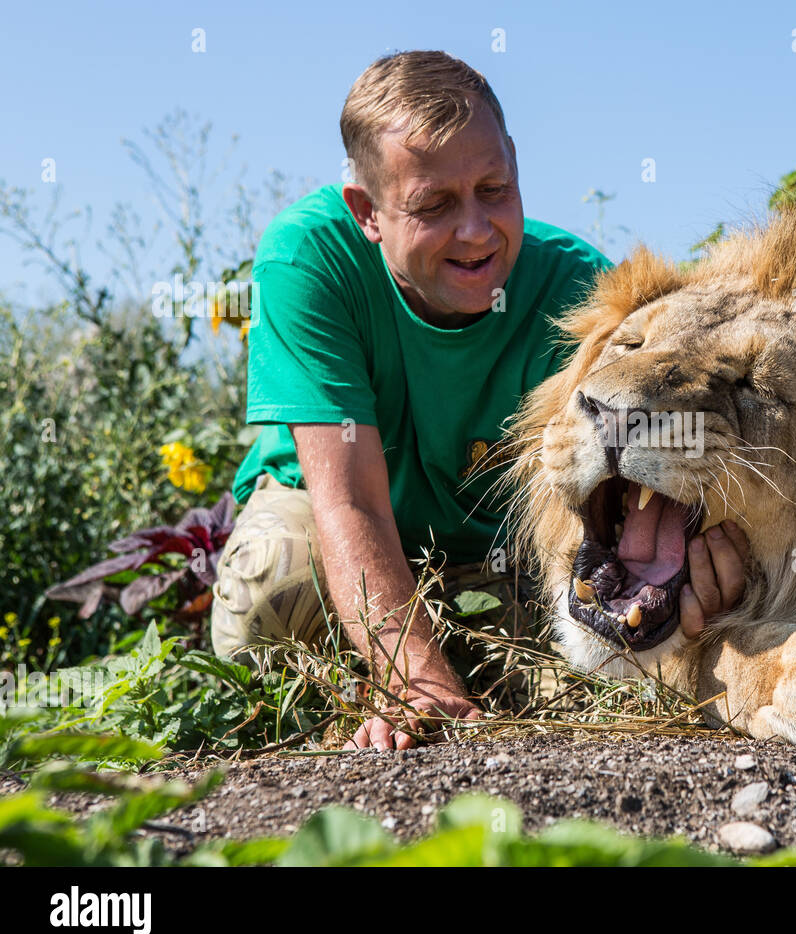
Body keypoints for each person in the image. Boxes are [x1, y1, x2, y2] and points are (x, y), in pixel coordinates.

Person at [210, 50, 750, 751]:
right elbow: (351, 503)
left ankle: (437, 673)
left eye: (494, 189)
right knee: (265, 600)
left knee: (604, 679)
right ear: (368, 212)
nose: (475, 230)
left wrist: (692, 578)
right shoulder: (307, 258)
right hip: (332, 519)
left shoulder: (581, 287)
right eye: (433, 205)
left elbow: (628, 491)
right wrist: (415, 677)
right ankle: (369, 693)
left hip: (497, 556)